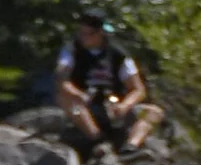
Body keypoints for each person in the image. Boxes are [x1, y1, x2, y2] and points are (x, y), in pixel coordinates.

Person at [54, 8, 159, 150]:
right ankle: (97, 139)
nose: (83, 37)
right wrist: (79, 94)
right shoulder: (71, 51)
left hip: (113, 106)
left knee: (153, 112)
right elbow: (62, 81)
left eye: (89, 34)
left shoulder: (119, 55)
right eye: (81, 33)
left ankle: (131, 145)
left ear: (101, 33)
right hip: (85, 105)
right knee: (67, 99)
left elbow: (138, 90)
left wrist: (124, 106)